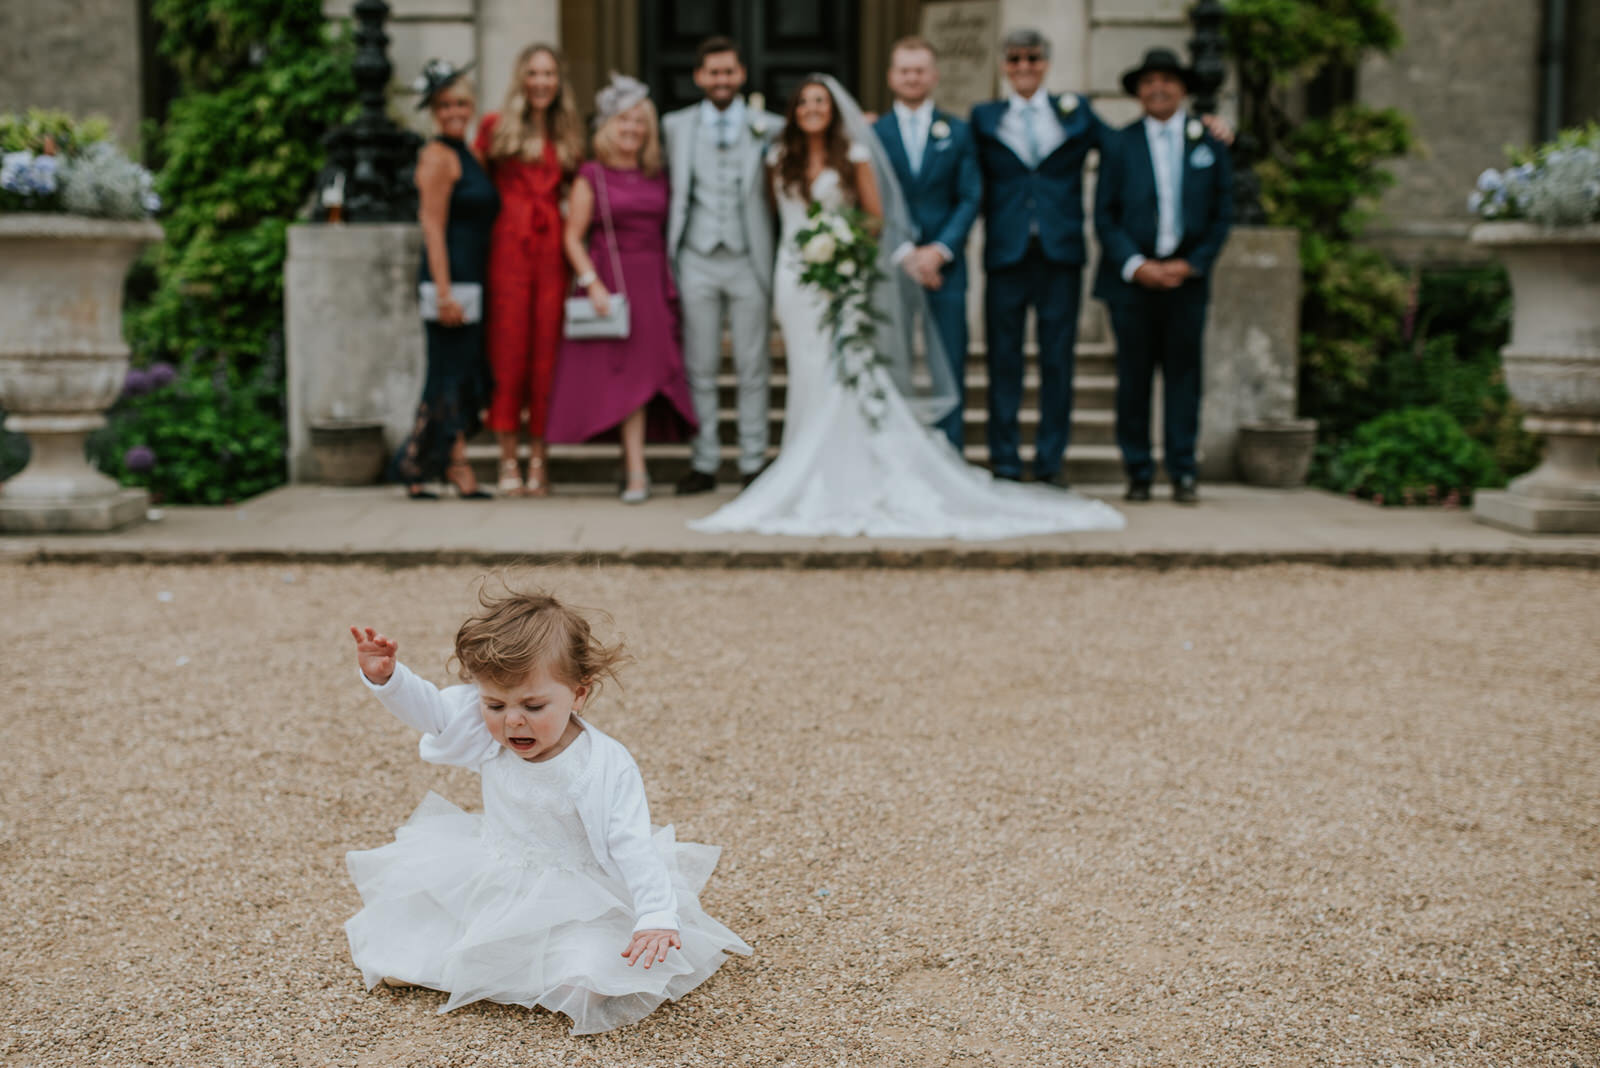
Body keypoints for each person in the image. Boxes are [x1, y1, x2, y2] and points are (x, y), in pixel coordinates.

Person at [688, 76, 1124, 539]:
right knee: (805, 368)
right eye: (804, 103)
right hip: (794, 276)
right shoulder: (777, 158)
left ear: (833, 109)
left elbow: (876, 219)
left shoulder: (852, 154)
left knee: (842, 368)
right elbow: (772, 218)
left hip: (844, 273)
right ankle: (802, 459)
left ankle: (847, 467)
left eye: (821, 102)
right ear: (793, 111)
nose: (813, 109)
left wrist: (842, 247)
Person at [344, 585, 751, 1034]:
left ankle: (522, 971)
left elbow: (631, 844)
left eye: (533, 705)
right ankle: (445, 967)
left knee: (591, 976)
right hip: (497, 873)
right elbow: (434, 712)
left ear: (578, 694)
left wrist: (655, 914)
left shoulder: (601, 764)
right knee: (432, 932)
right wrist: (389, 679)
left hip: (580, 893)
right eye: (495, 704)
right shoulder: (486, 733)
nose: (512, 720)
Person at [971, 28, 1230, 488]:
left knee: (1058, 362)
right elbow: (955, 160)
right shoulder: (983, 118)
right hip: (1006, 254)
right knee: (1003, 362)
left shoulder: (1077, 115)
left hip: (1061, 254)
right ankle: (1006, 462)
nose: (1024, 67)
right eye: (1014, 60)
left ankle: (1050, 462)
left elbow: (1133, 146)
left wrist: (1207, 128)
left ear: (1045, 64)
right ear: (1004, 66)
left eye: (1032, 58)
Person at [545, 74, 697, 504]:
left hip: (654, 283)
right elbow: (571, 236)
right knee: (626, 380)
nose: (632, 129)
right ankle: (636, 470)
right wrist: (590, 283)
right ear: (608, 126)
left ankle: (632, 465)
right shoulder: (591, 175)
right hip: (611, 286)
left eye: (639, 121)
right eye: (623, 121)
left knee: (646, 377)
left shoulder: (657, 174)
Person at [1093, 48, 1233, 504]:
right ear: (1137, 91)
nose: (1158, 88)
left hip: (1186, 281)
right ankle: (1137, 470)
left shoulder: (1209, 143)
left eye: (1168, 81)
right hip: (1132, 282)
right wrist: (1137, 266)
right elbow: (1104, 216)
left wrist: (1190, 264)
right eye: (1149, 81)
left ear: (1184, 89)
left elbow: (1222, 213)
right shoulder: (1118, 143)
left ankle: (1183, 470)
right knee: (1133, 378)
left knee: (1183, 377)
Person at [661, 37, 785, 494]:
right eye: (713, 73)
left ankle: (753, 460)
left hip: (749, 257)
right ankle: (705, 460)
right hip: (695, 257)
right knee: (701, 364)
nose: (721, 80)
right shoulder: (674, 126)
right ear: (699, 77)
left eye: (729, 72)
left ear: (742, 75)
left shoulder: (770, 126)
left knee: (754, 365)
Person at [476, 44, 583, 498]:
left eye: (550, 74)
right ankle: (506, 458)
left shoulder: (568, 133)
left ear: (559, 82)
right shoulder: (495, 128)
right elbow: (474, 189)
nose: (542, 82)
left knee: (547, 356)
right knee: (508, 353)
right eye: (534, 73)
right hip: (509, 247)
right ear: (522, 78)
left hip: (551, 253)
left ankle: (540, 459)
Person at [872, 36, 983, 452]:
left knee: (949, 363)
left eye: (920, 70)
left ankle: (949, 451)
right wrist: (903, 253)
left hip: (946, 268)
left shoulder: (958, 131)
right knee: (891, 358)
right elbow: (871, 200)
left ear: (934, 76)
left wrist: (939, 251)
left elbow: (970, 196)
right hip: (890, 263)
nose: (912, 77)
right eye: (904, 70)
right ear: (890, 77)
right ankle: (896, 449)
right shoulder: (874, 132)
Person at [395, 60, 499, 500]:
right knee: (447, 374)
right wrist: (442, 292)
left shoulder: (469, 152)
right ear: (434, 110)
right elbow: (432, 226)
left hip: (473, 276)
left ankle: (419, 460)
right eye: (446, 105)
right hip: (449, 279)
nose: (455, 111)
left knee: (459, 373)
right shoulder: (436, 156)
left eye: (462, 103)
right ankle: (448, 463)